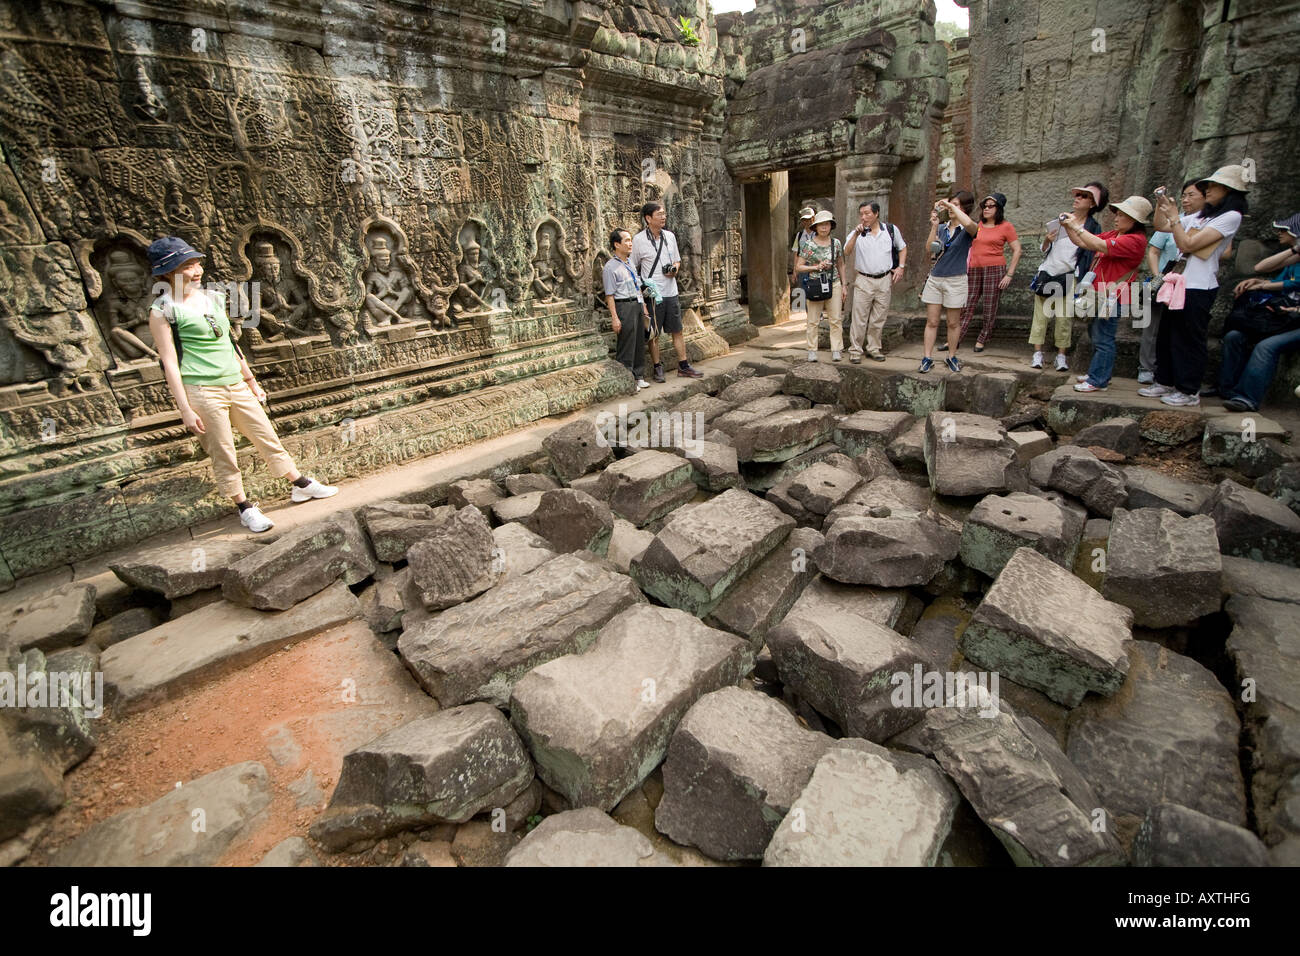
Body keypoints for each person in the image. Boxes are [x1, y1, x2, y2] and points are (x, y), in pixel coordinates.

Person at [146, 237, 338, 533]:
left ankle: (299, 484)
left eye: (196, 263)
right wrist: (184, 408)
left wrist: (251, 380)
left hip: (234, 382)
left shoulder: (211, 296)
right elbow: (169, 362)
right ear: (166, 273)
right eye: (186, 266)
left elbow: (230, 342)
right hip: (202, 388)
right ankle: (244, 506)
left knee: (265, 435)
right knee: (223, 449)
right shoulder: (162, 310)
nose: (196, 270)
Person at [1143, 164, 1250, 407]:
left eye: (1212, 186)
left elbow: (1188, 244)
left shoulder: (1230, 217)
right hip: (1177, 283)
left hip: (1199, 286)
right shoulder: (1201, 217)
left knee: (1189, 339)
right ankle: (1165, 381)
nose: (1208, 190)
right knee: (1167, 335)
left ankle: (1188, 390)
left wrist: (1174, 218)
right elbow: (1162, 226)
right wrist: (1162, 204)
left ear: (1228, 190)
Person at [1061, 197, 1151, 392]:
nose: (1116, 218)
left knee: (1104, 337)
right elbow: (1084, 242)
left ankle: (1098, 380)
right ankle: (1099, 373)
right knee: (1096, 334)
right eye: (1117, 214)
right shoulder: (1116, 234)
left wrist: (1076, 226)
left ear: (1134, 220)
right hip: (1099, 294)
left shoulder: (1135, 241)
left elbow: (1098, 245)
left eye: (1121, 215)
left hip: (1113, 296)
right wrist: (1068, 226)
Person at [1218, 214, 1300, 412]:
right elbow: (1260, 267)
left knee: (1266, 346)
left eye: (1285, 230)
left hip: (1295, 322)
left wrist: (1266, 286)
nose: (1279, 233)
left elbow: (1295, 283)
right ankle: (1226, 390)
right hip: (1279, 318)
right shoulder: (1295, 258)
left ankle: (1247, 398)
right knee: (1234, 336)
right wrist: (1295, 249)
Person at [1028, 185, 1104, 371]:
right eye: (1077, 195)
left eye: (1083, 196)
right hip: (1048, 271)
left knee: (1064, 318)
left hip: (1071, 274)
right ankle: (1037, 354)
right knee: (1041, 316)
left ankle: (1061, 356)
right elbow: (1044, 249)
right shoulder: (1060, 220)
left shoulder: (1092, 227)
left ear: (1092, 203)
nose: (1077, 198)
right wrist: (1047, 239)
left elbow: (1091, 253)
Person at [1139, 180, 1206, 384]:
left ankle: (1175, 377)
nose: (1185, 199)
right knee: (1152, 327)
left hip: (1188, 284)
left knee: (1178, 332)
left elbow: (1224, 252)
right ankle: (1147, 369)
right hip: (1164, 279)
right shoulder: (1177, 220)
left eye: (1191, 195)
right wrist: (1158, 275)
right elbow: (1154, 248)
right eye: (1183, 195)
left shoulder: (1209, 222)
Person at [632, 201, 703, 381]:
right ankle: (657, 367)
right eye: (659, 214)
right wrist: (643, 289)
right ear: (648, 218)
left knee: (677, 330)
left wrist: (675, 268)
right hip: (654, 294)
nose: (663, 217)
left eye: (664, 214)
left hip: (671, 291)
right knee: (654, 333)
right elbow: (633, 268)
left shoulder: (670, 236)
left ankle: (683, 365)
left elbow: (677, 260)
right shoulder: (639, 240)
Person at [950, 192, 1021, 353]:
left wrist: (1009, 274)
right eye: (984, 206)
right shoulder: (977, 225)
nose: (987, 209)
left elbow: (1017, 250)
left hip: (994, 269)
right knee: (967, 304)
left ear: (999, 208)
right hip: (974, 268)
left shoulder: (1006, 226)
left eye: (991, 206)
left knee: (989, 306)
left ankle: (983, 337)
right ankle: (956, 337)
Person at [919, 189, 978, 374]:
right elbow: (930, 248)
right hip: (936, 278)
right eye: (952, 204)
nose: (952, 208)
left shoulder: (967, 229)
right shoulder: (943, 228)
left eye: (958, 204)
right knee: (932, 321)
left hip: (956, 279)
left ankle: (952, 355)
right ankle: (927, 357)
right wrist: (935, 226)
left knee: (953, 322)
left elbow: (970, 225)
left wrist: (951, 205)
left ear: (964, 207)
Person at [843, 200, 906, 363]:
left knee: (879, 316)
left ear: (876, 214)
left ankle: (873, 348)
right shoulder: (857, 232)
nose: (863, 217)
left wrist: (901, 267)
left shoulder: (890, 230)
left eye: (867, 213)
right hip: (864, 279)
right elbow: (846, 251)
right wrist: (856, 234)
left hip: (884, 279)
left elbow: (902, 247)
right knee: (859, 317)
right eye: (861, 214)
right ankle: (855, 349)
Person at [603, 228, 654, 391]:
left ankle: (638, 375)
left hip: (637, 304)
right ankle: (627, 378)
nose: (630, 243)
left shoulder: (630, 262)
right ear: (617, 244)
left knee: (639, 340)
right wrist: (615, 317)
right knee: (627, 342)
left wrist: (644, 306)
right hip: (623, 305)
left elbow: (637, 285)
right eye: (626, 240)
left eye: (631, 239)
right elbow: (609, 295)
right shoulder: (610, 267)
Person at [794, 210, 847, 362]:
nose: (824, 227)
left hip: (834, 282)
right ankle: (812, 349)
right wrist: (816, 267)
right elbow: (799, 267)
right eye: (821, 224)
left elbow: (841, 264)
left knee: (835, 318)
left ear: (831, 226)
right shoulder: (808, 245)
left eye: (827, 224)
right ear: (816, 227)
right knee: (813, 319)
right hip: (815, 284)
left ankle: (836, 348)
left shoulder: (835, 243)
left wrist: (844, 285)